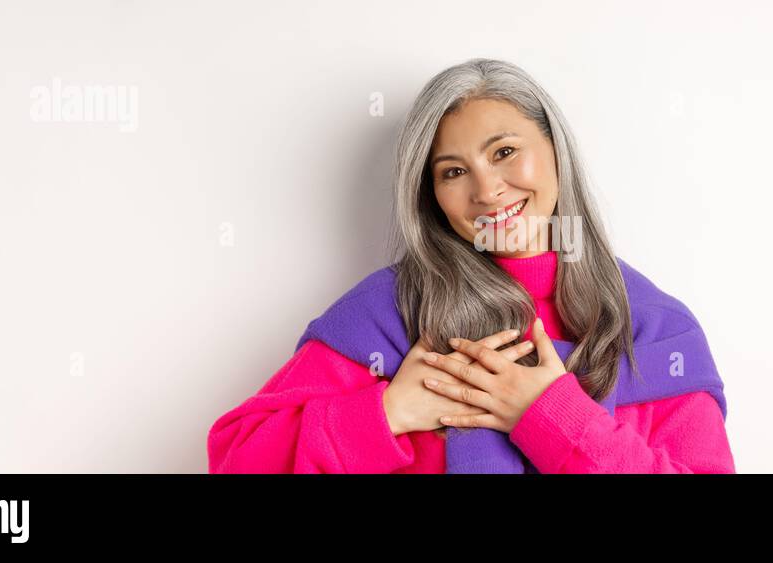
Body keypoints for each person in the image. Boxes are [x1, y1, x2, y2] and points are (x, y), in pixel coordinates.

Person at [207, 58, 734, 473]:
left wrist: (551, 417)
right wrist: (388, 413)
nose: (487, 190)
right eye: (454, 170)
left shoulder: (656, 329)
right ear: (432, 195)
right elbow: (235, 460)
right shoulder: (388, 314)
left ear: (555, 149)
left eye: (504, 152)